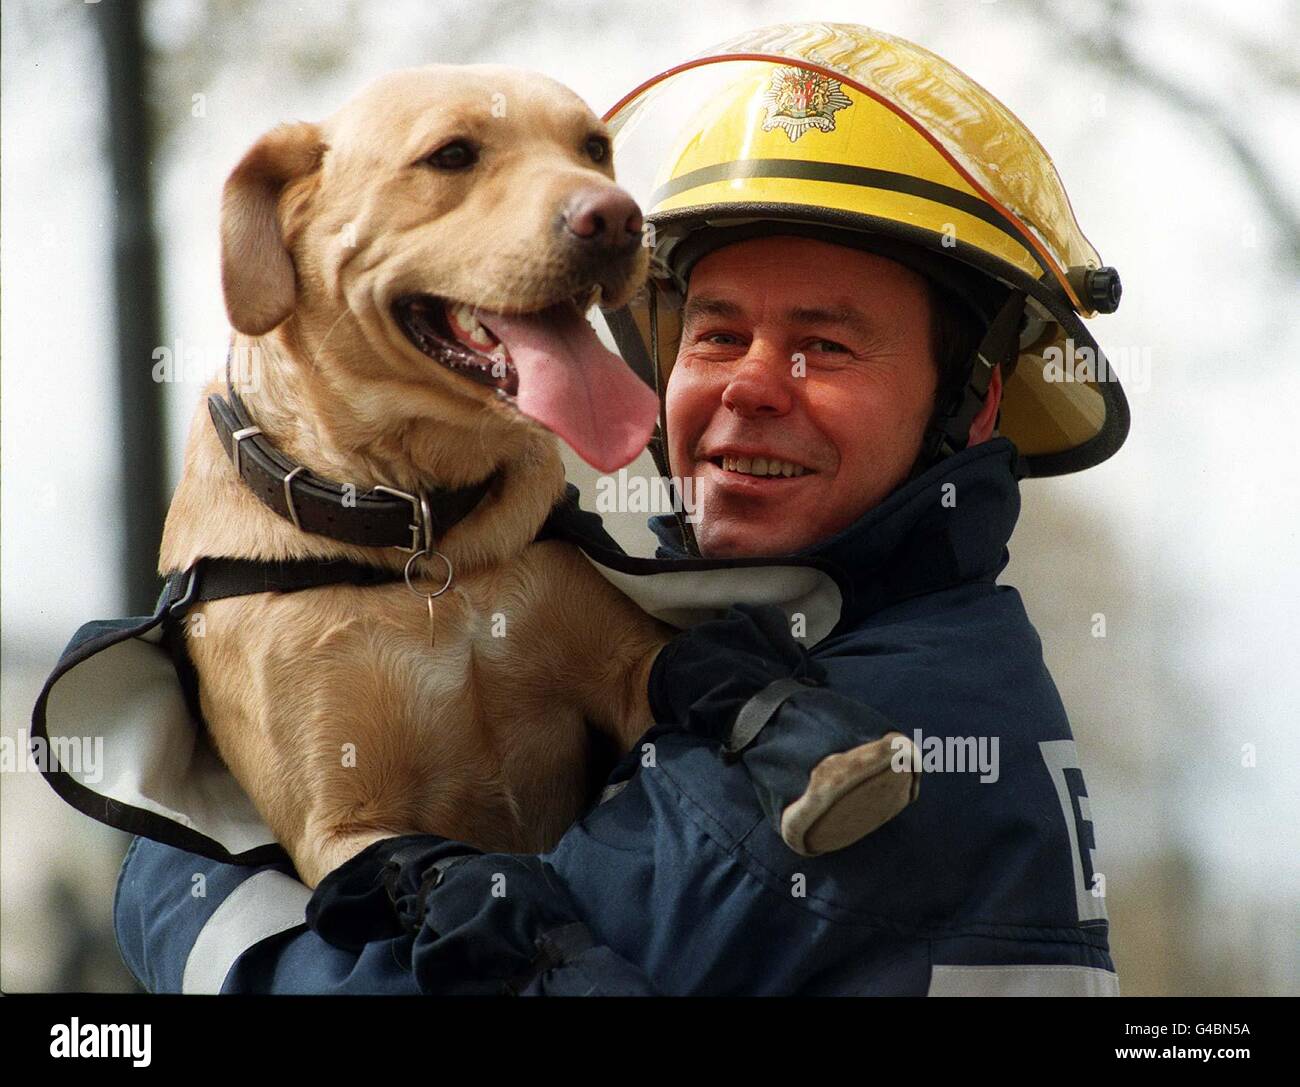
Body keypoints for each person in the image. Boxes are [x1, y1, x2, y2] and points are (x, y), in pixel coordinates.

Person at [104, 22, 1128, 995]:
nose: (752, 386)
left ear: (973, 404)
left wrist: (177, 862)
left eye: (827, 345)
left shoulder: (890, 732)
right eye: (716, 336)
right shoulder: (808, 645)